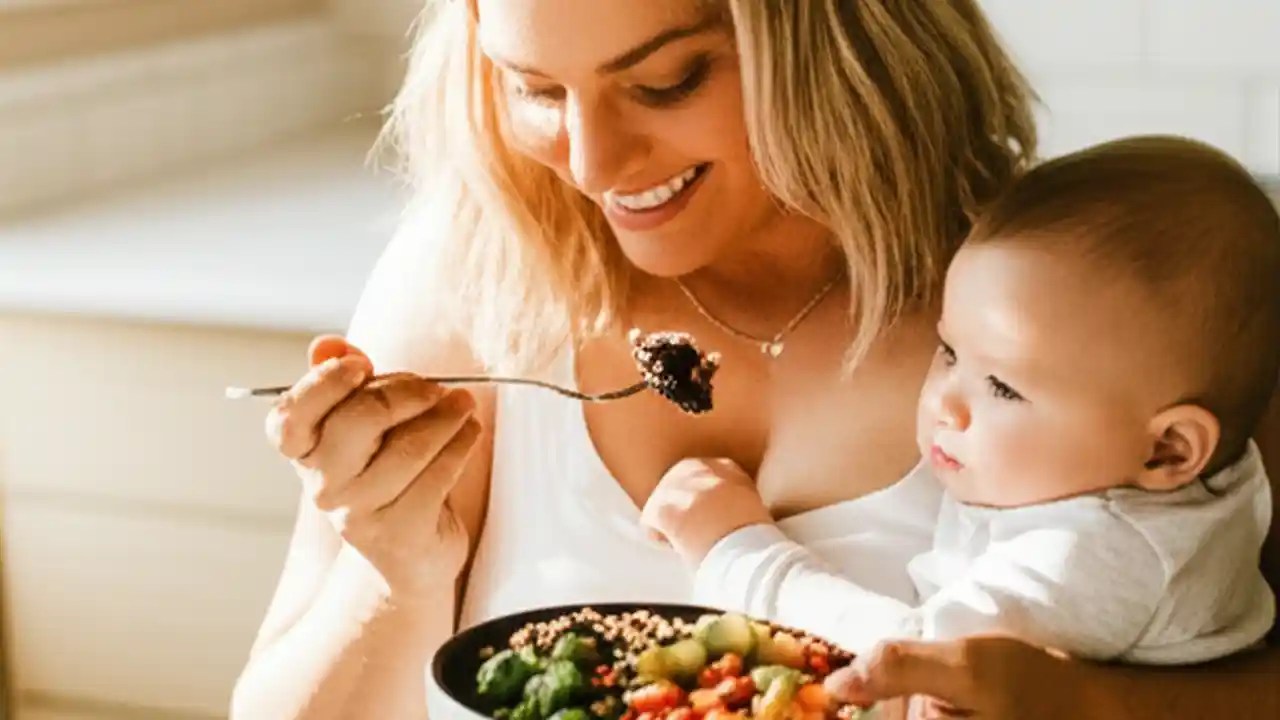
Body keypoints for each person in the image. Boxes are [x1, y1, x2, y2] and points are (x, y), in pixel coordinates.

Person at [229, 1, 1280, 718]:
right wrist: (396, 569)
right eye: (536, 89)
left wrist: (1091, 704)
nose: (592, 165)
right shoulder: (475, 269)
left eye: (666, 79)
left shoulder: (1097, 291)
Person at [642, 135, 1280, 715]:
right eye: (948, 352)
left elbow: (912, 665)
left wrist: (734, 548)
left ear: (1170, 449)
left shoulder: (1103, 552)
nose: (947, 402)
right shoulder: (1170, 468)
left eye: (1003, 385)